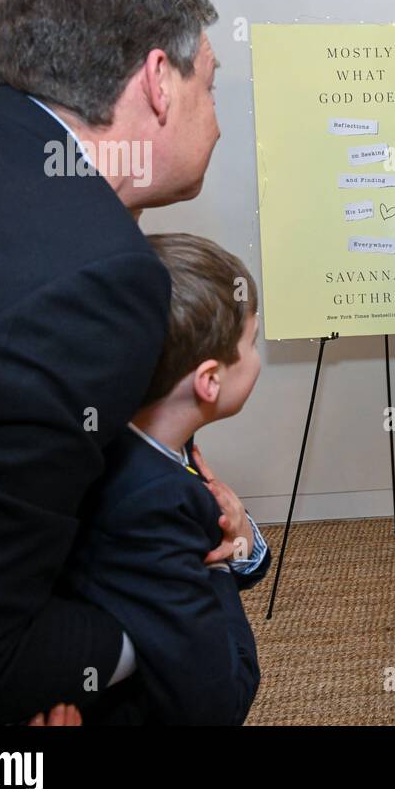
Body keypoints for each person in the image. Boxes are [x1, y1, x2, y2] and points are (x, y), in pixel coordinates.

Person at [0, 0, 227, 724]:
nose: (215, 117)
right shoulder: (96, 275)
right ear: (156, 81)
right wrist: (153, 625)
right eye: (210, 87)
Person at [64, 233, 269, 723]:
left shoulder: (161, 445)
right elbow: (221, 700)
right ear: (210, 380)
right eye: (252, 342)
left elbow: (245, 560)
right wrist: (214, 567)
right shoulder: (154, 496)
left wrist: (238, 537)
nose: (258, 356)